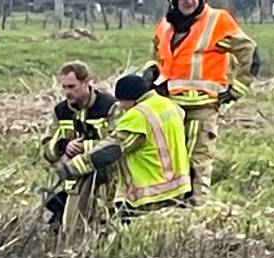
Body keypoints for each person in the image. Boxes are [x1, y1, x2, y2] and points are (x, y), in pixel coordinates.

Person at [142, 0, 257, 205]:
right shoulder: (166, 24)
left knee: (198, 159)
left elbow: (249, 51)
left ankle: (196, 207)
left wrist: (238, 89)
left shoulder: (217, 20)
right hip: (169, 106)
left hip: (202, 106)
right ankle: (169, 205)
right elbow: (157, 54)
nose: (189, 1)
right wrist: (151, 71)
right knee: (170, 159)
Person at [53, 75, 191, 222]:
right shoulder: (168, 105)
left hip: (151, 194)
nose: (121, 107)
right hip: (178, 187)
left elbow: (112, 149)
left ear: (129, 99)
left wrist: (72, 168)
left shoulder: (137, 115)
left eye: (121, 102)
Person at [40, 61, 122, 234]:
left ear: (87, 82)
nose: (67, 92)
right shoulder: (60, 112)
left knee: (107, 229)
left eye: (72, 86)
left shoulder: (110, 107)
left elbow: (118, 144)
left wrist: (85, 146)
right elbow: (46, 149)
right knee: (72, 230)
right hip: (74, 184)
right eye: (64, 87)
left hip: (108, 183)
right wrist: (63, 146)